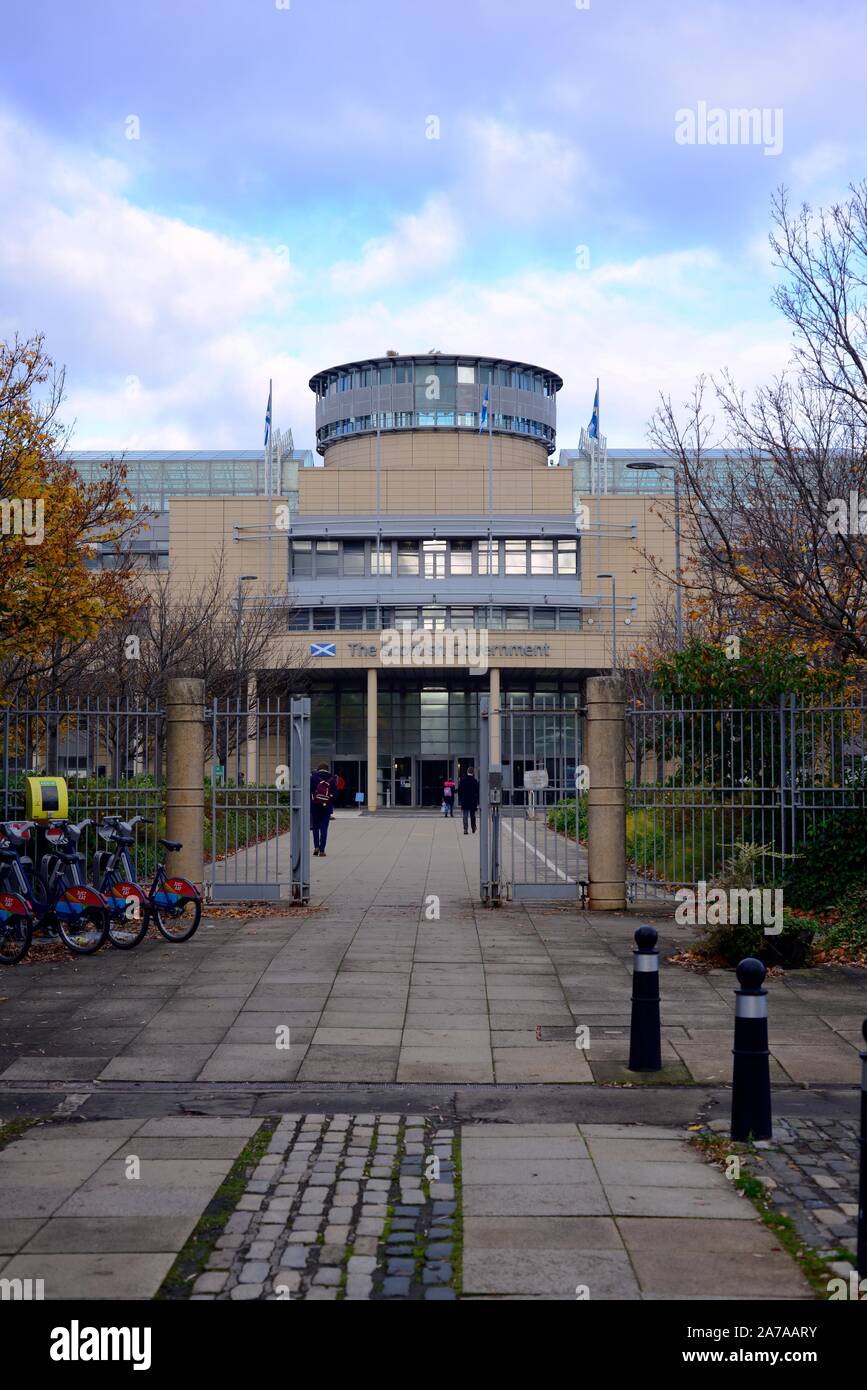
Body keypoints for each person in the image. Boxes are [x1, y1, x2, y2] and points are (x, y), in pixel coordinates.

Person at [310, 763, 338, 856]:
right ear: (327, 769)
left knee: (315, 827)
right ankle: (322, 850)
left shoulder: (313, 778)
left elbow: (309, 791)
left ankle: (316, 847)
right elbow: (336, 795)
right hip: (327, 807)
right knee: (324, 828)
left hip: (315, 806)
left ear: (318, 769)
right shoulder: (332, 779)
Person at [458, 765, 480, 834]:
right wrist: (478, 801)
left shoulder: (463, 780)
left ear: (467, 772)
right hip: (473, 800)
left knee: (465, 815)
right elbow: (477, 791)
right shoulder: (475, 781)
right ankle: (473, 827)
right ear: (473, 772)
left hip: (465, 800)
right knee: (472, 815)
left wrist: (460, 798)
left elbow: (460, 791)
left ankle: (465, 829)